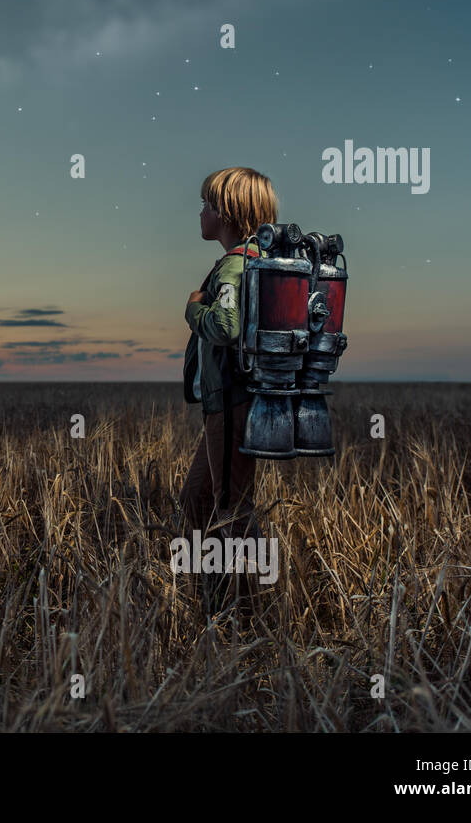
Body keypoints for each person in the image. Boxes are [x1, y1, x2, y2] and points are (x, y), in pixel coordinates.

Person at [179, 167, 278, 615]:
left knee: (231, 508)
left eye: (206, 204)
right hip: (227, 405)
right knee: (198, 497)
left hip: (234, 404)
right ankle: (216, 596)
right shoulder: (245, 260)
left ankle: (252, 612)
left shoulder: (237, 264)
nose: (200, 212)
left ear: (225, 212)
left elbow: (224, 324)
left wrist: (193, 309)